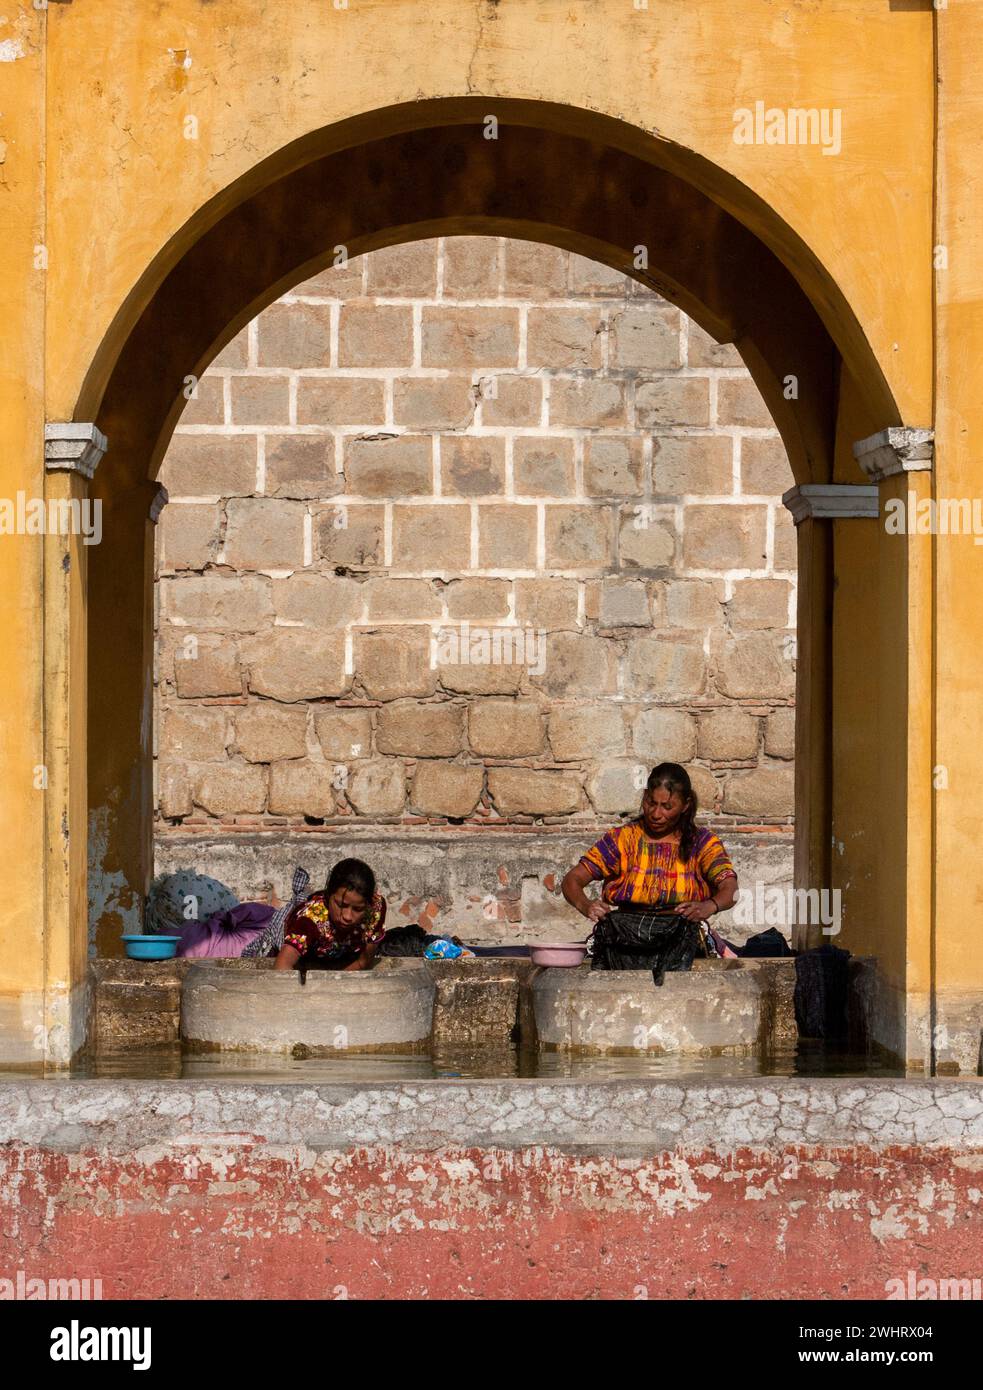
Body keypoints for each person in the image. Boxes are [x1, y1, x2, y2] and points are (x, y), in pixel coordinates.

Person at [560, 762, 739, 982]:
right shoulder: (623, 839)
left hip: (680, 937)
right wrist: (586, 905)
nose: (656, 813)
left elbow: (730, 889)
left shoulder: (702, 843)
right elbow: (572, 880)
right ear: (644, 797)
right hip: (623, 940)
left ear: (685, 805)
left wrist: (709, 906)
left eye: (667, 806)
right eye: (651, 803)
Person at [273, 858, 386, 971]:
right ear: (328, 895)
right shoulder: (310, 920)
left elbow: (363, 962)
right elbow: (282, 965)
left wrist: (334, 985)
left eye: (358, 909)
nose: (347, 916)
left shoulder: (374, 909)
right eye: (341, 905)